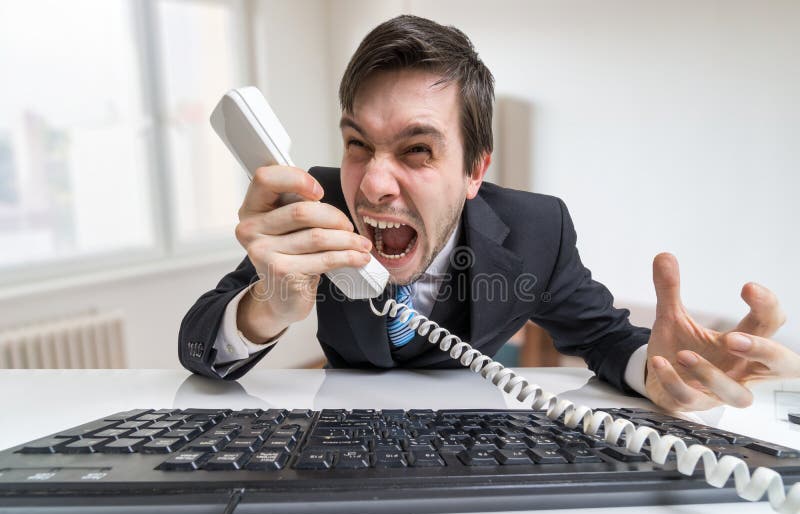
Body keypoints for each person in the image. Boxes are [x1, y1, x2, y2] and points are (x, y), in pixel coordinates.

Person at [179, 15, 796, 412]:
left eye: (417, 150)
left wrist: (660, 371)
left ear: (475, 170)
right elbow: (199, 346)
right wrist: (266, 307)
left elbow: (605, 337)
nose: (373, 182)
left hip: (474, 445)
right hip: (342, 437)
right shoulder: (314, 205)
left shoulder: (536, 230)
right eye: (358, 143)